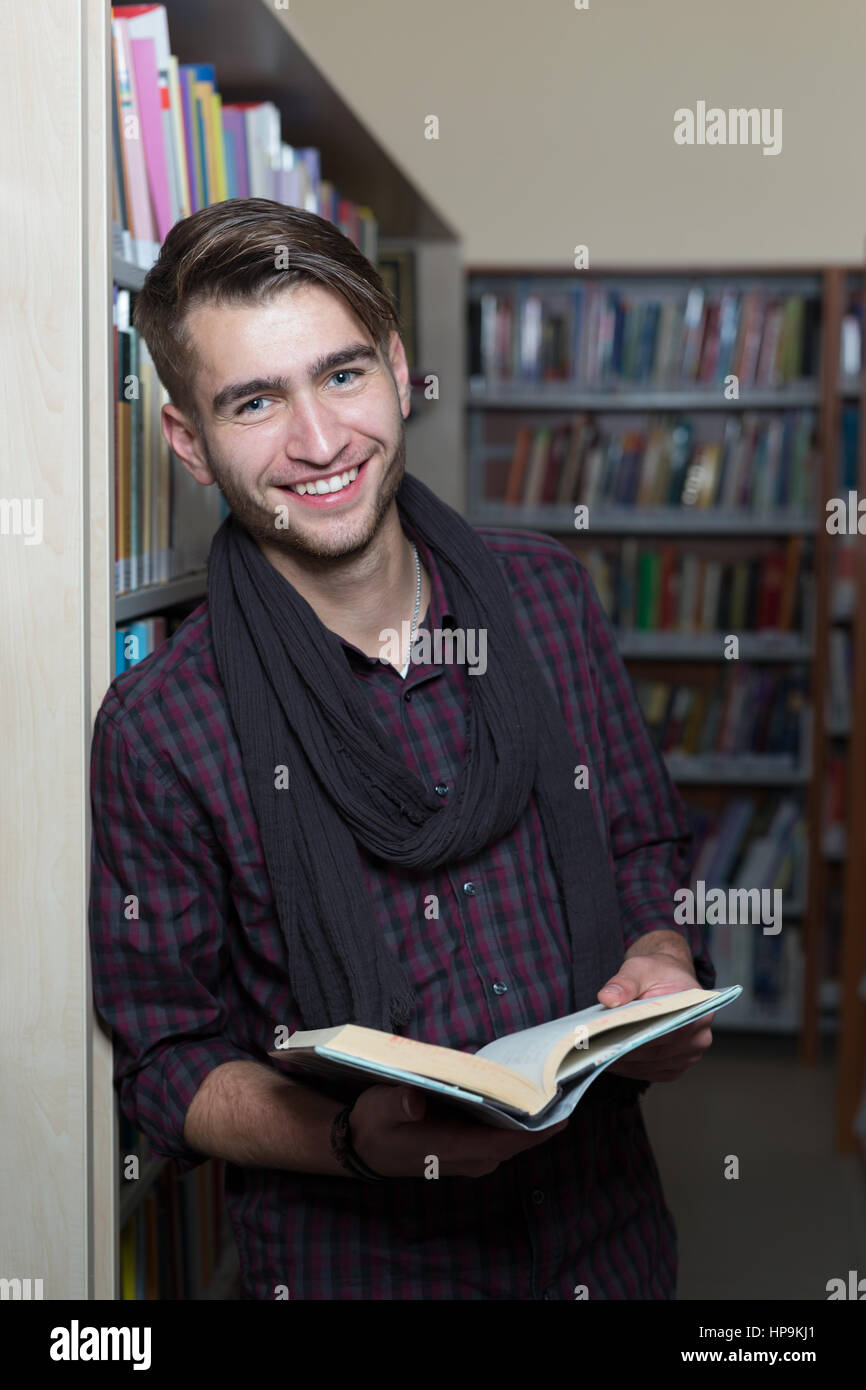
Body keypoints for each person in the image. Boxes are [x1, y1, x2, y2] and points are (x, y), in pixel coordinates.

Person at [89, 198, 715, 1301]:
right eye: (253, 401)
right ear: (187, 438)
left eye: (340, 375)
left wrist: (660, 957)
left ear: (396, 366)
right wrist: (348, 1140)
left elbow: (638, 846)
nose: (321, 443)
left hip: (606, 1244)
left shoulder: (543, 599)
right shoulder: (160, 731)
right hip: (356, 1270)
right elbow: (166, 1058)